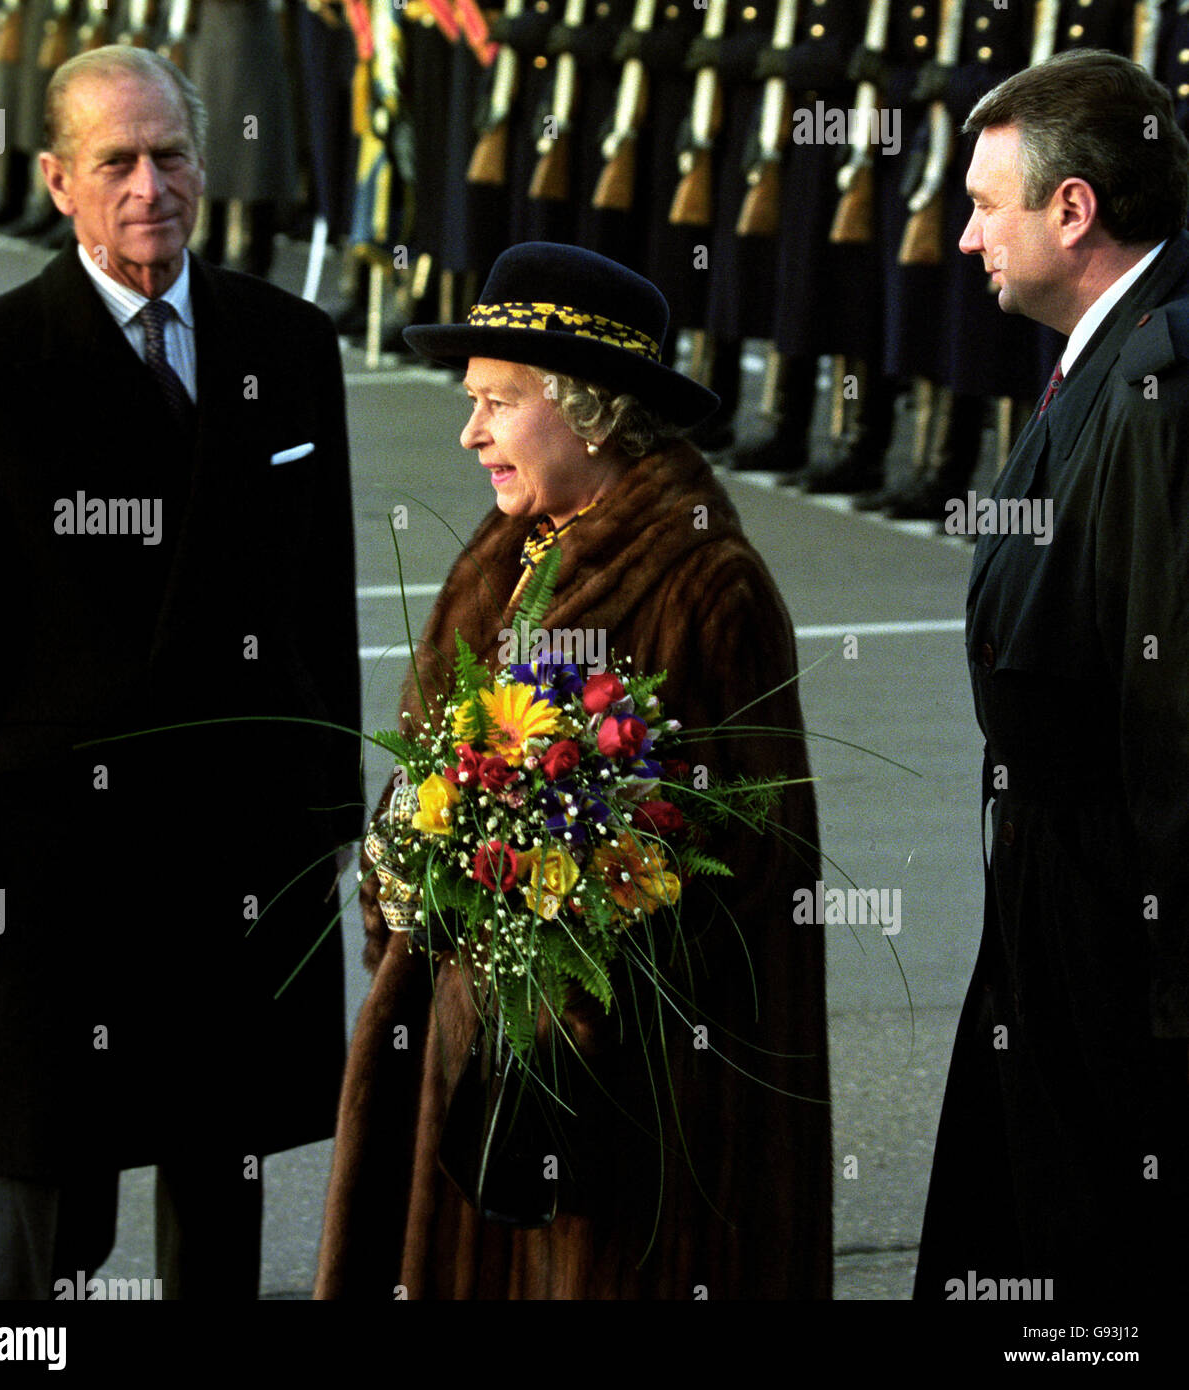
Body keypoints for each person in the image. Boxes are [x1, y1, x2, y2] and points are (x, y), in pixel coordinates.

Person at [0, 45, 363, 1299]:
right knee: (53, 1182)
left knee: (223, 1164)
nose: (148, 186)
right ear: (58, 180)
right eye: (116, 161)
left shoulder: (289, 341)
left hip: (247, 831)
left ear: (203, 165)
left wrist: (335, 808)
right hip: (69, 847)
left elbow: (319, 593)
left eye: (169, 155)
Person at [314, 242, 831, 1300]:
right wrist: (413, 860)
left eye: (497, 403)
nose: (470, 433)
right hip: (482, 1072)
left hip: (625, 1108)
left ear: (589, 408)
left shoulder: (705, 582)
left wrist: (569, 919)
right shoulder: (511, 547)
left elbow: (757, 855)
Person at [914, 48, 1189, 1300]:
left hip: (1112, 940)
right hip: (1052, 900)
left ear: (1070, 210)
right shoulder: (1110, 348)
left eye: (984, 203)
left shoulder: (1153, 386)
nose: (963, 234)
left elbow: (1167, 708)